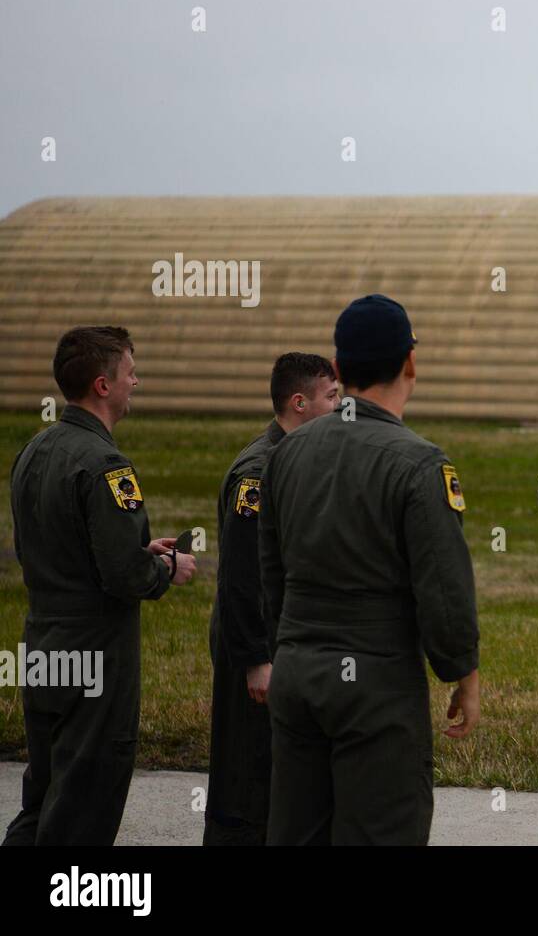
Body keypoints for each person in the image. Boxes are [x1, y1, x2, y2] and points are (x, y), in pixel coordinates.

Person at [259, 295, 480, 845]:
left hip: (297, 671)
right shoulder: (419, 462)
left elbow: (269, 570)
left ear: (337, 369)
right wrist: (463, 672)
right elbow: (444, 586)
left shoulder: (286, 452)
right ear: (410, 362)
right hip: (374, 683)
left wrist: (281, 650)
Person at [3, 327, 197, 846]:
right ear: (102, 385)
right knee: (84, 806)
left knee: (42, 799)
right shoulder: (108, 465)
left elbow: (42, 545)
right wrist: (165, 570)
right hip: (96, 656)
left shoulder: (34, 451)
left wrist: (134, 549)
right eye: (129, 370)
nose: (137, 380)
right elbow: (122, 576)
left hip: (44, 645)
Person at [203, 352, 338, 846]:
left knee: (276, 774)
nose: (340, 406)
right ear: (299, 403)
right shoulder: (259, 472)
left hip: (277, 645)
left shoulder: (291, 460)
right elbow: (240, 576)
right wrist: (257, 658)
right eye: (332, 397)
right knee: (245, 779)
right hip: (254, 650)